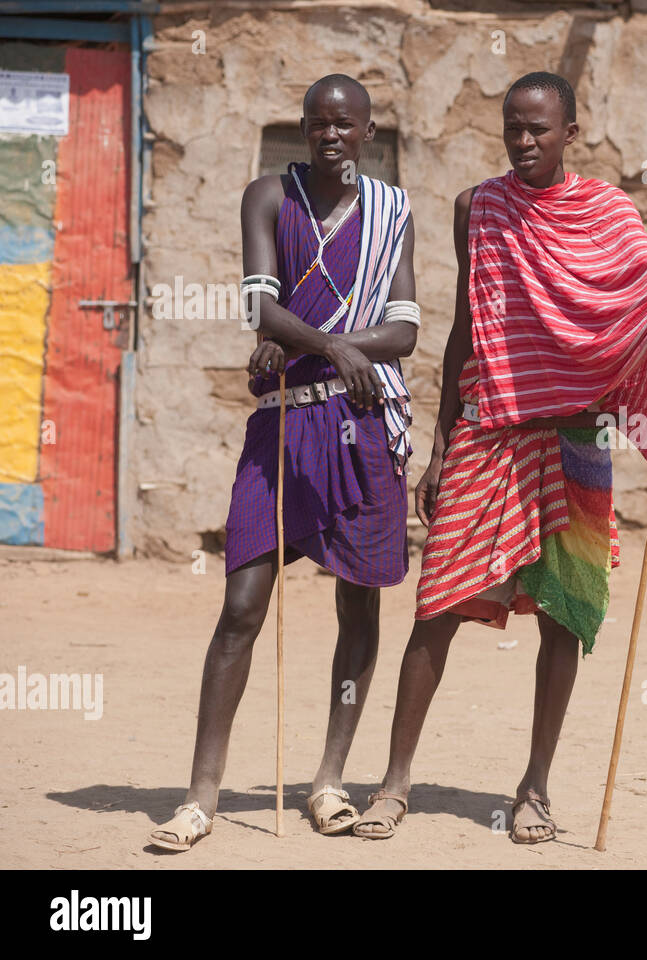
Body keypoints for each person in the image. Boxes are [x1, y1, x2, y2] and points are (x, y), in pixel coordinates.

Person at [352, 71, 647, 845]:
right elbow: (462, 329)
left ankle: (535, 787)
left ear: (570, 134)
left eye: (539, 129)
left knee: (562, 615)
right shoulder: (476, 208)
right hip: (489, 428)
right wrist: (440, 446)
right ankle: (393, 783)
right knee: (437, 604)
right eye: (513, 127)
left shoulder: (607, 210)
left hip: (577, 437)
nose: (523, 141)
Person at [148, 74, 419, 851]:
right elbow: (255, 307)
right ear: (304, 130)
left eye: (345, 123)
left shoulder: (393, 213)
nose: (330, 134)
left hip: (366, 424)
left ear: (368, 131)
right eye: (316, 123)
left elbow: (402, 330)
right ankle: (201, 794)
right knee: (241, 604)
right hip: (283, 425)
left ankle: (329, 778)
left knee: (359, 605)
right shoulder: (269, 196)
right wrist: (330, 343)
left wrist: (316, 345)